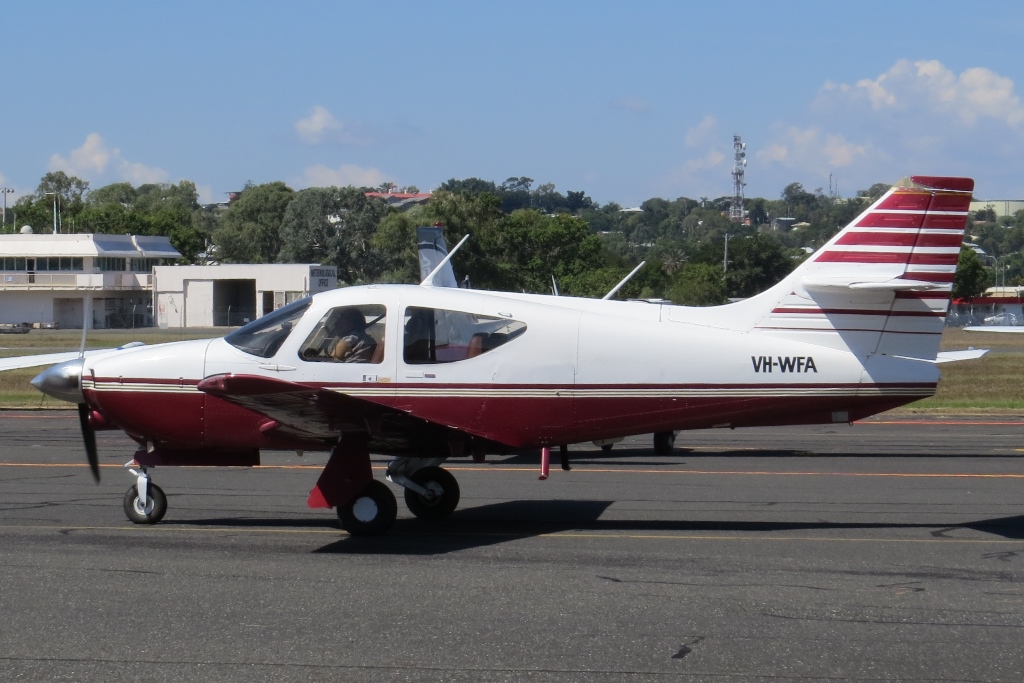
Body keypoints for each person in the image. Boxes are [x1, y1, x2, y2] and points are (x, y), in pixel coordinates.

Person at [307, 308, 377, 363]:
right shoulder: (362, 338)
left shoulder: (350, 339)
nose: (336, 323)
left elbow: (330, 363)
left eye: (340, 320)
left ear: (350, 325)